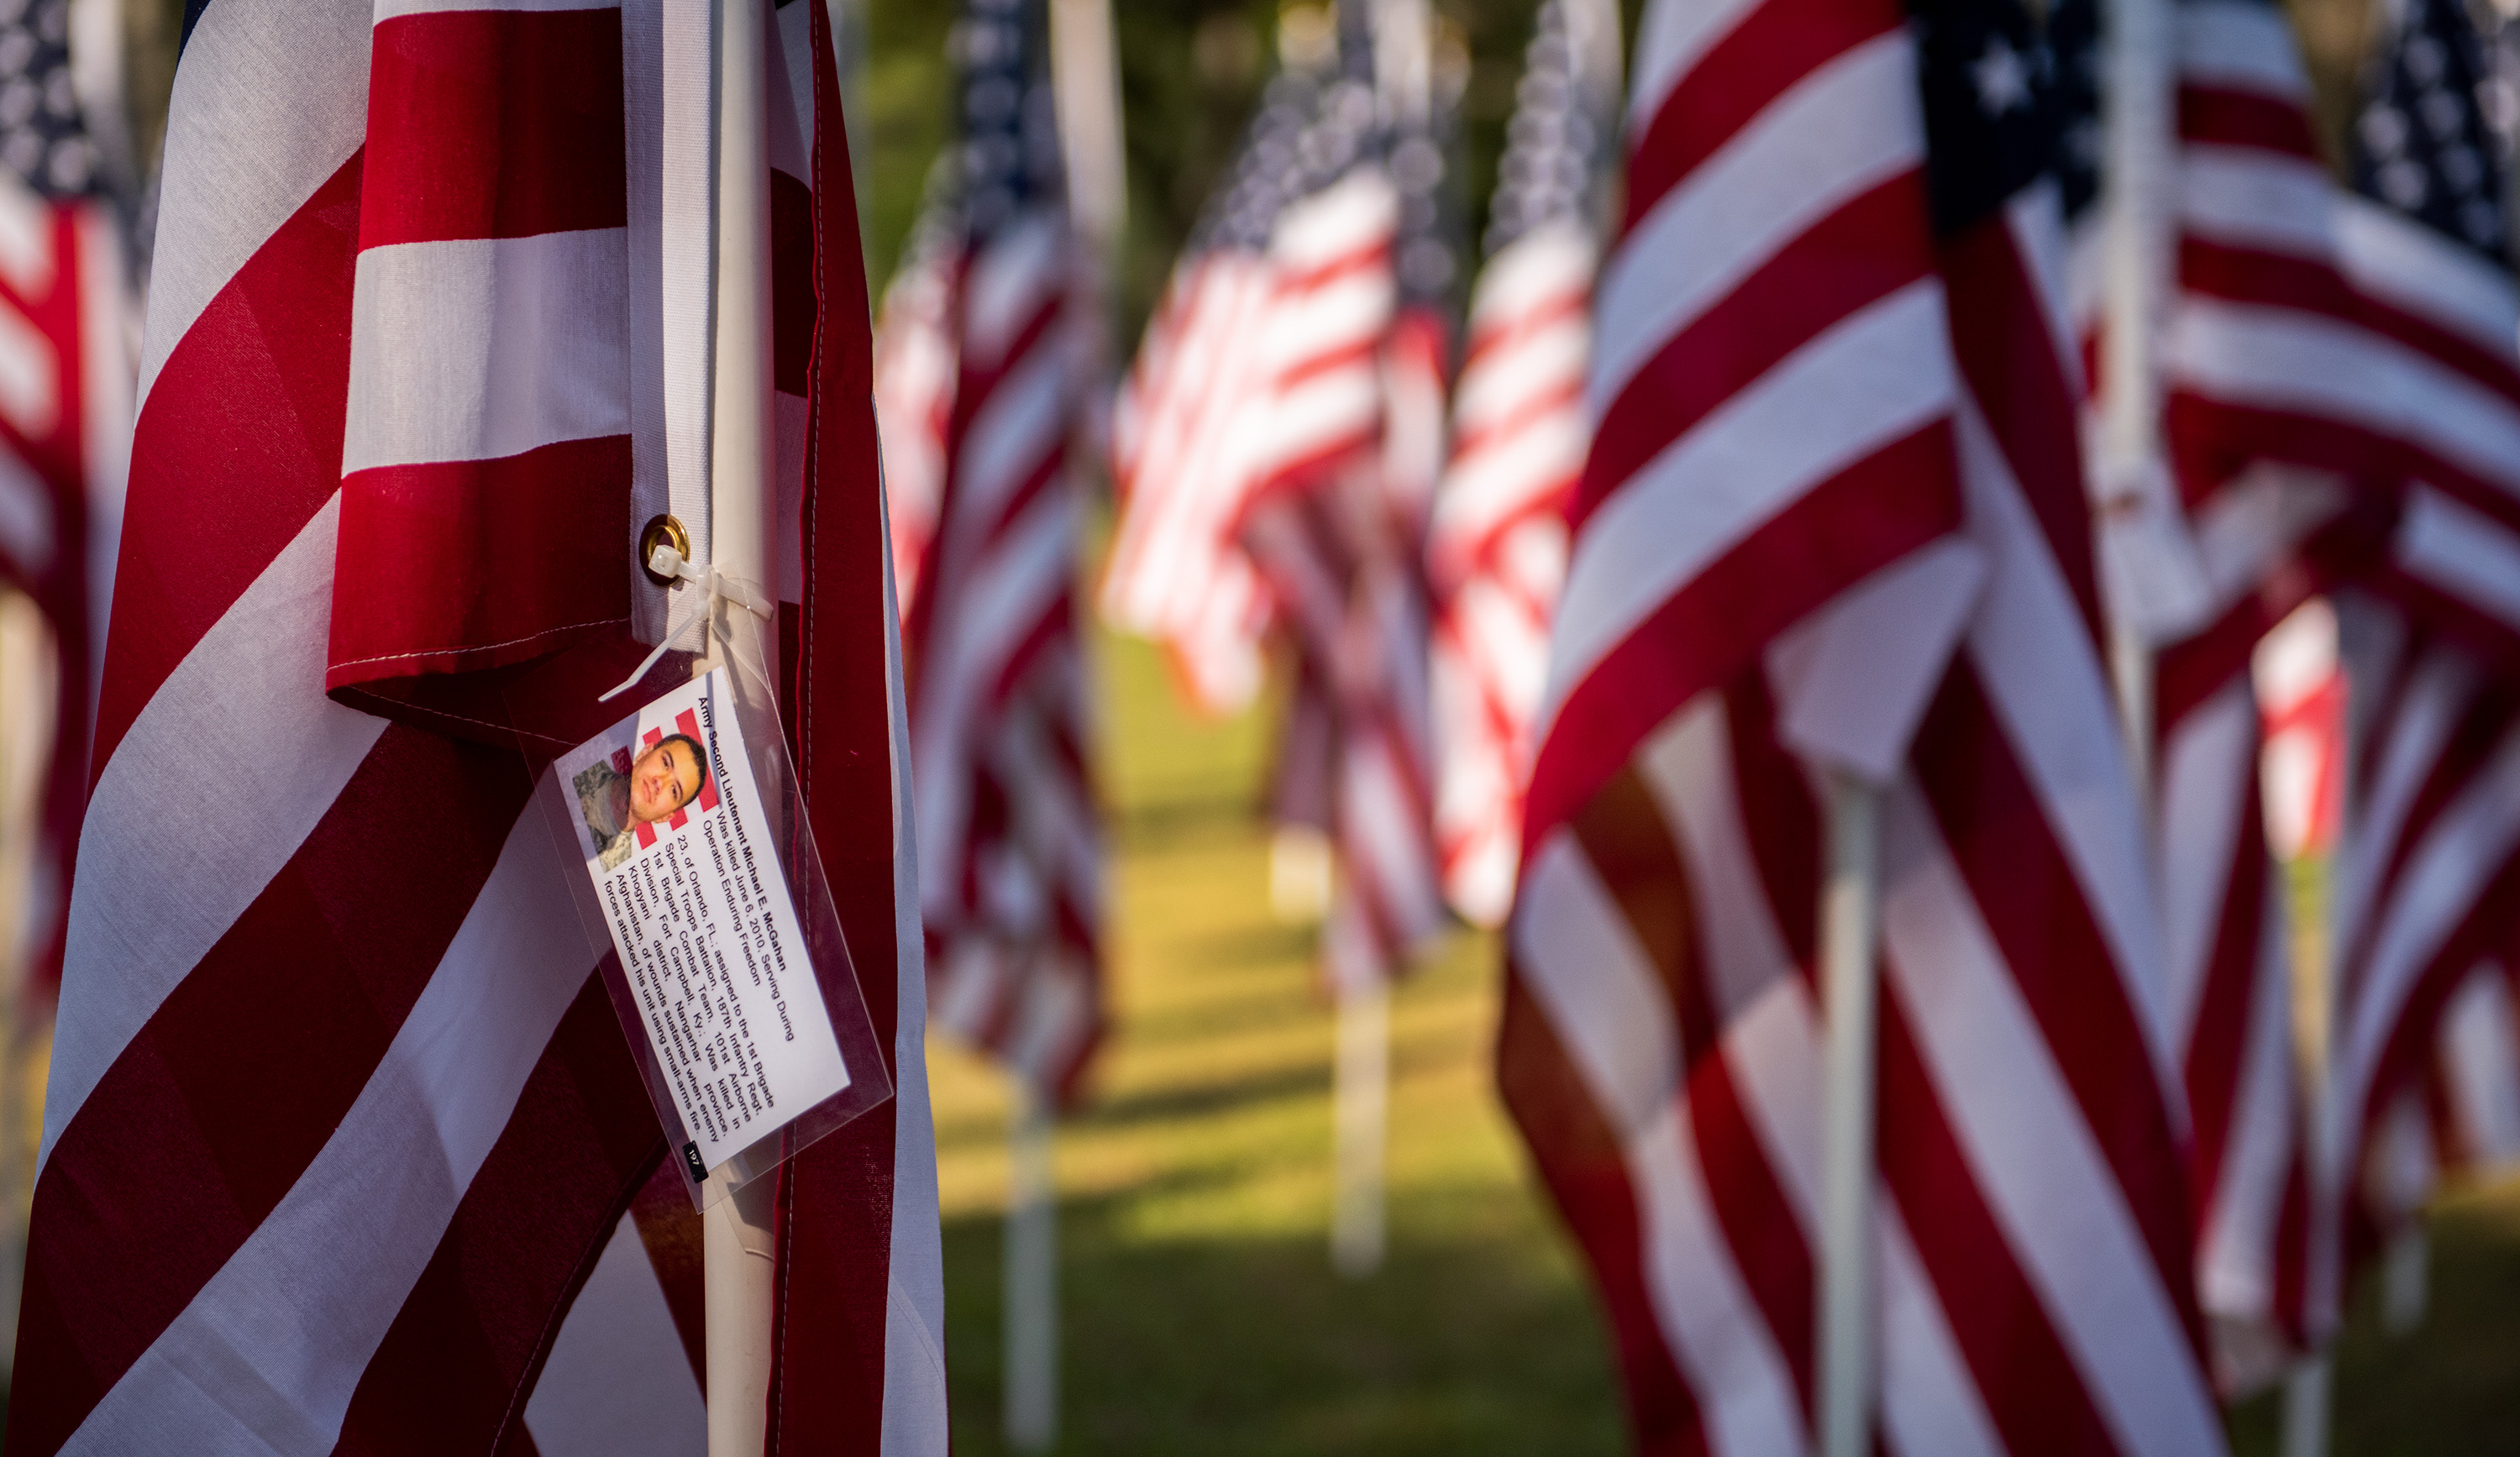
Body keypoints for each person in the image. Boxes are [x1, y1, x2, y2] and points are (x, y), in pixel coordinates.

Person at [575, 732, 709, 869]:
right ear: (645, 752)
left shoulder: (618, 869)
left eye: (674, 791)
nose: (660, 782)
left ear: (665, 817)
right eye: (665, 763)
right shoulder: (582, 756)